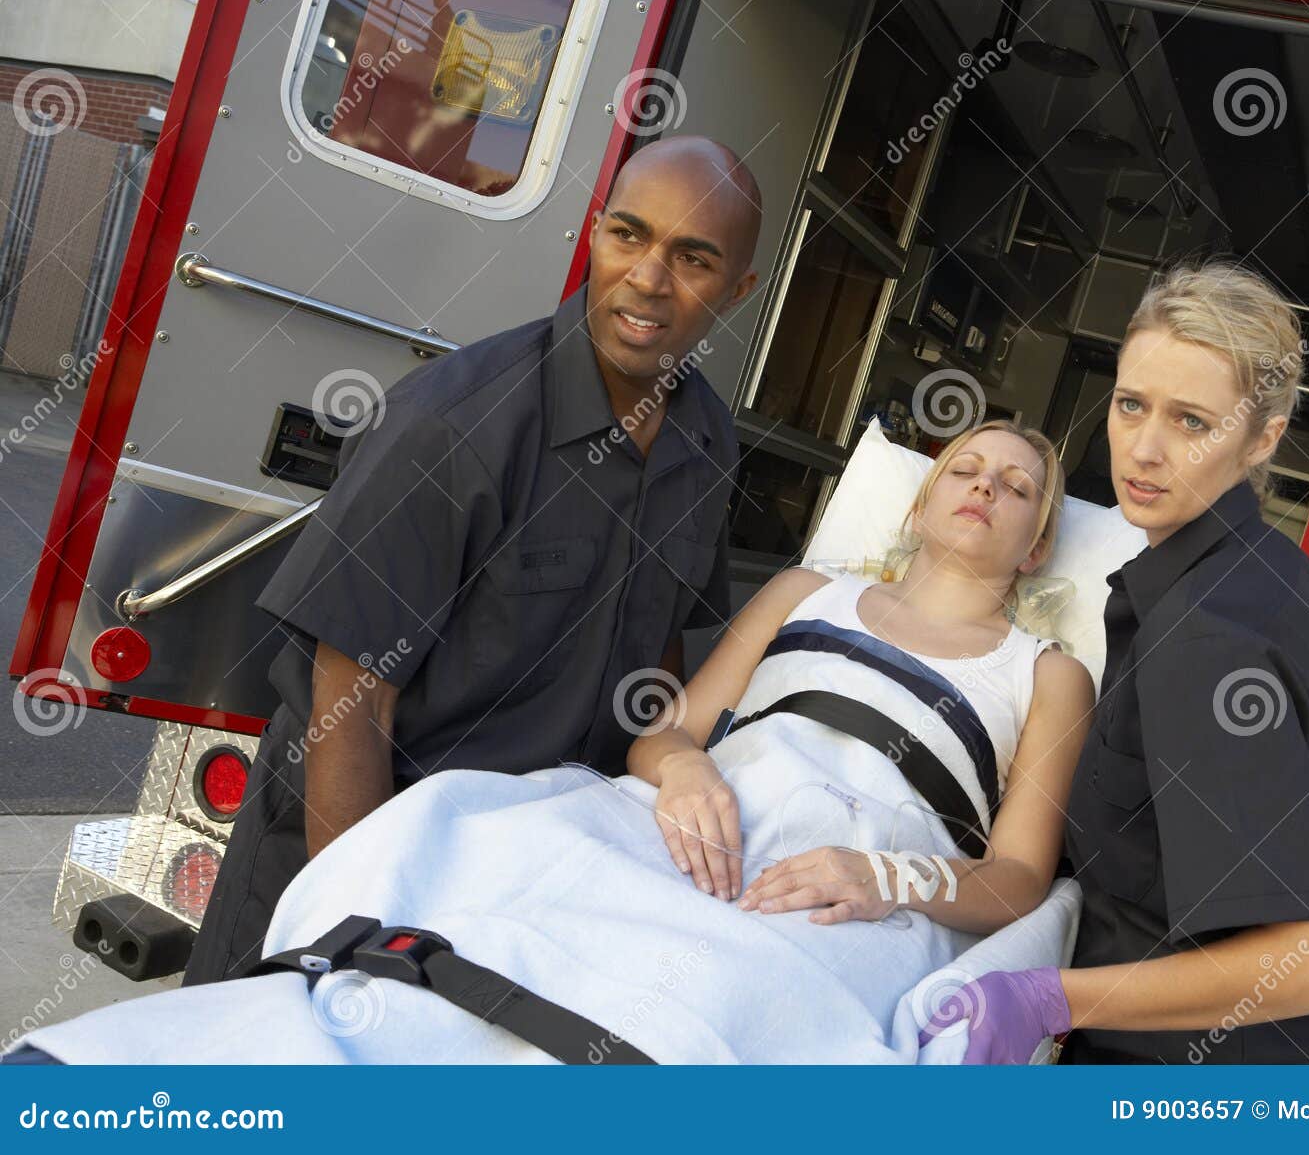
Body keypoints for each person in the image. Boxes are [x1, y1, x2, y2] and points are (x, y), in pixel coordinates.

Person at [7, 422, 1097, 1065]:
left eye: (1015, 488)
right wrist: (684, 769)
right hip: (706, 823)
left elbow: (1016, 876)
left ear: (1038, 541)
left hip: (864, 885)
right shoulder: (807, 590)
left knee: (726, 1002)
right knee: (489, 890)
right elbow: (668, 732)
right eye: (967, 468)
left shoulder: (1045, 673)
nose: (985, 489)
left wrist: (886, 878)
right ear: (921, 501)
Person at [184, 135, 765, 986]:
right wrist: (361, 941)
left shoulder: (708, 445)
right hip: (345, 854)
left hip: (522, 894)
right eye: (628, 235)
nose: (647, 277)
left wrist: (670, 762)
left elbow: (661, 649)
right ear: (594, 233)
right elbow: (353, 701)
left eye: (693, 258)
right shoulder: (453, 424)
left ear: (738, 290)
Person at [927, 261, 1309, 1064]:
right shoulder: (1275, 577)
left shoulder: (1204, 637)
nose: (1144, 448)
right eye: (1131, 404)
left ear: (1262, 438)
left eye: (1192, 421)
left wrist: (1050, 997)